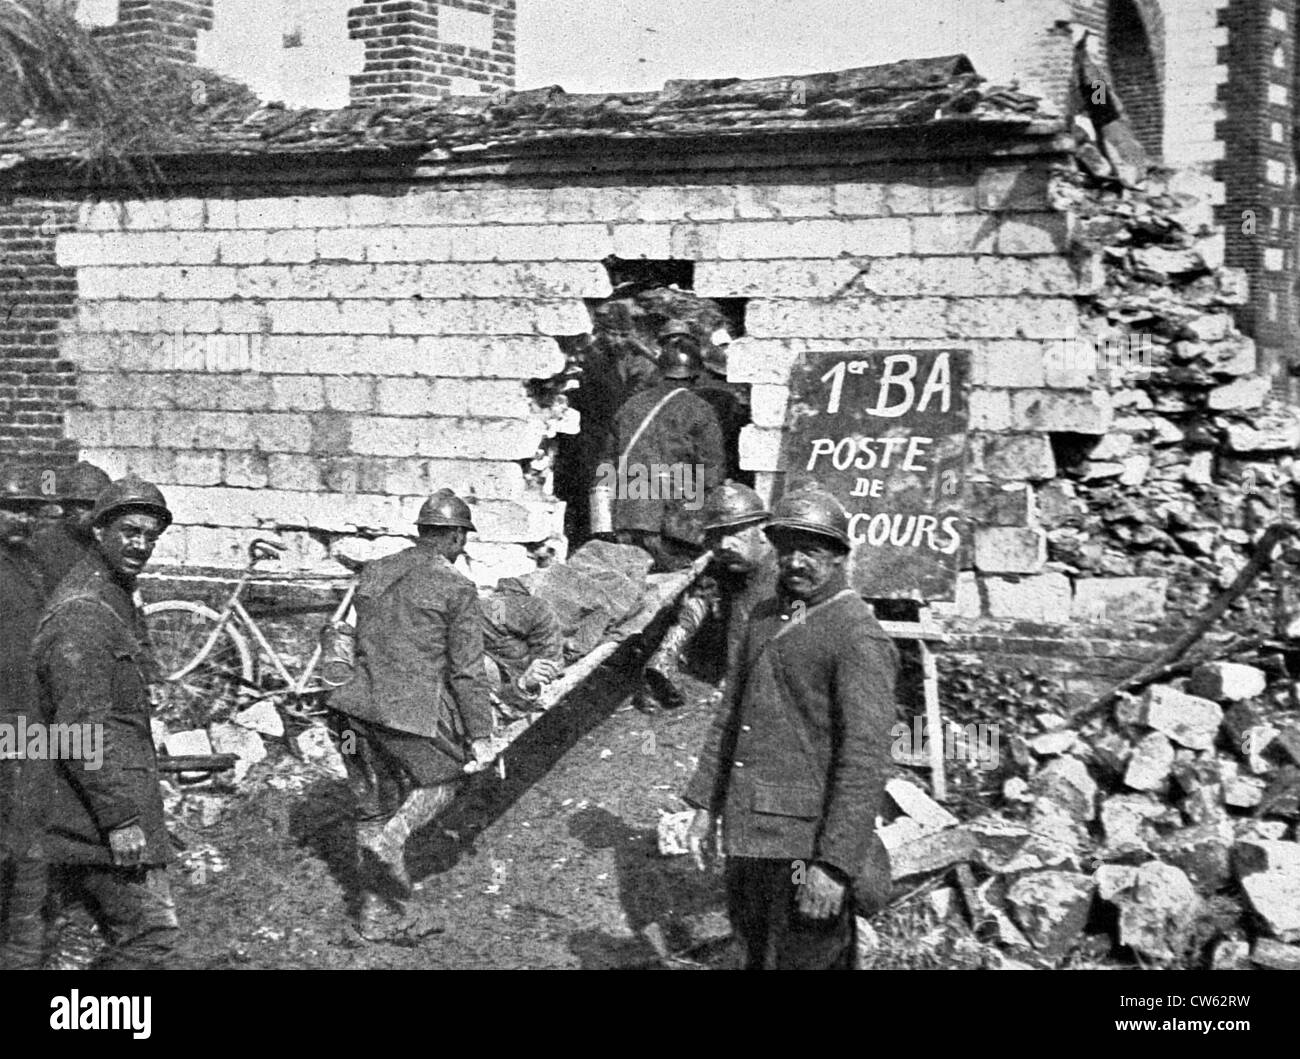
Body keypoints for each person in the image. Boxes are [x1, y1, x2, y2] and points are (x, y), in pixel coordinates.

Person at [683, 485, 898, 970]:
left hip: (806, 846)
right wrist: (704, 804)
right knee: (753, 955)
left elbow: (864, 762)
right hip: (750, 834)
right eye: (788, 549)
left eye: (813, 550)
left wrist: (834, 866)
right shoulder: (764, 615)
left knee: (809, 960)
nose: (796, 562)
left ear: (840, 557)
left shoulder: (856, 635)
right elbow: (731, 716)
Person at [27, 475, 179, 970]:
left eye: (151, 536)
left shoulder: (115, 594)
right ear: (99, 531)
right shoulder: (84, 614)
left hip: (93, 806)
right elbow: (80, 731)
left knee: (69, 939)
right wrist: (122, 820)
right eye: (130, 532)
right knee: (150, 935)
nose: (141, 545)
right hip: (93, 816)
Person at [329, 489, 496, 935]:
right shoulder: (457, 588)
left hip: (347, 717)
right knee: (445, 780)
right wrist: (480, 736)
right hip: (401, 715)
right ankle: (394, 839)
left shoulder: (376, 570)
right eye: (463, 540)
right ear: (457, 537)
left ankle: (379, 918)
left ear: (422, 531)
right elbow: (466, 672)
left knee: (371, 810)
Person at [639, 481, 778, 712]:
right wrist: (664, 658)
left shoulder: (786, 573)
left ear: (762, 532)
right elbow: (696, 605)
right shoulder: (722, 564)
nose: (724, 544)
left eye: (734, 533)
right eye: (716, 535)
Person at [595, 343, 726, 572]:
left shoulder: (630, 406)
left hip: (625, 518)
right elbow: (711, 472)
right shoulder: (700, 409)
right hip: (671, 527)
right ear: (696, 375)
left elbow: (606, 465)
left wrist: (603, 523)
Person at [0, 468, 53, 969]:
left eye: (28, 511)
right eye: (11, 509)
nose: (20, 519)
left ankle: (22, 952)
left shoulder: (31, 564)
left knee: (29, 835)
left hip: (29, 720)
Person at [479, 578, 564, 720]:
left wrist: (546, 660)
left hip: (558, 596)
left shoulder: (490, 616)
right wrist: (523, 685)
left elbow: (539, 610)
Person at [30, 461, 112, 593]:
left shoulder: (108, 543)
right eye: (85, 506)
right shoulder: (43, 544)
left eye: (98, 506)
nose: (93, 514)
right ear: (66, 506)